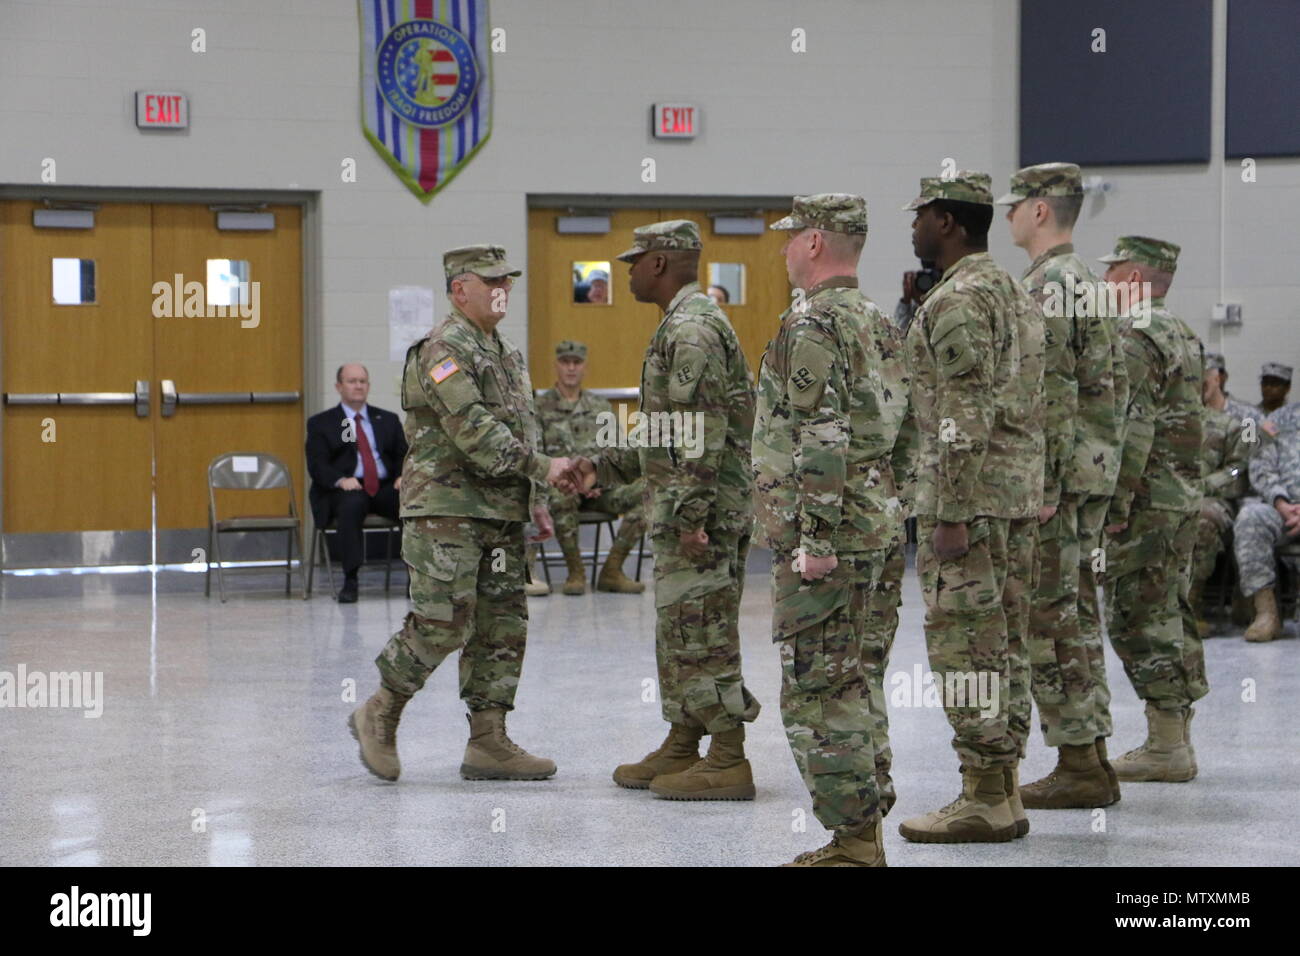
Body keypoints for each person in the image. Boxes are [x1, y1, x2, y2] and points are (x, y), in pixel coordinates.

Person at [348, 244, 572, 783]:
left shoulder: (504, 351)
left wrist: (533, 500)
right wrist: (545, 468)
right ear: (458, 289)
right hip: (447, 511)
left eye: (508, 281)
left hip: (499, 514)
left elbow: (522, 427)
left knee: (502, 623)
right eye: (490, 280)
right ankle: (382, 709)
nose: (503, 290)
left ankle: (487, 741)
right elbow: (475, 431)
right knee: (444, 619)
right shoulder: (442, 349)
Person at [560, 220, 762, 800]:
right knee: (678, 629)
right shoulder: (678, 324)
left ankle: (727, 754)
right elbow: (664, 431)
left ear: (659, 264)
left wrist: (694, 515)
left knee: (703, 629)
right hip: (679, 505)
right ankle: (683, 739)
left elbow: (700, 434)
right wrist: (603, 465)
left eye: (634, 261)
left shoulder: (694, 330)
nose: (626, 271)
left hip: (701, 512)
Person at [756, 193, 915, 866]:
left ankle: (854, 840)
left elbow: (821, 434)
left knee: (822, 687)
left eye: (793, 237)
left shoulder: (815, 324)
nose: (786, 248)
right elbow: (903, 430)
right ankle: (866, 821)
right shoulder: (878, 321)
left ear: (816, 243)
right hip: (874, 523)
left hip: (832, 537)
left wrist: (814, 541)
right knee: (861, 676)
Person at [896, 171, 1045, 844]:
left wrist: (950, 510)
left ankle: (984, 793)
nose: (914, 227)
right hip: (1012, 500)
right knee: (1005, 645)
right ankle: (1004, 787)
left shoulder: (959, 299)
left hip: (971, 505)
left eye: (922, 216)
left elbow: (963, 412)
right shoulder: (1011, 289)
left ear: (949, 223)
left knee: (965, 649)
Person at [998, 162, 1125, 809]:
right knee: (1073, 614)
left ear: (1040, 209)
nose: (1007, 214)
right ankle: (1092, 758)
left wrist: (1041, 484)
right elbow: (1112, 386)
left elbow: (1050, 391)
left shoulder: (1050, 283)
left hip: (1055, 482)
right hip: (1088, 474)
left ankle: (1078, 762)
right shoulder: (1087, 281)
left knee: (1049, 618)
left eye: (1014, 204)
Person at [1099, 236, 1206, 783]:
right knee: (1169, 608)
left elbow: (1132, 425)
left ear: (1134, 277)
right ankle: (1175, 736)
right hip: (1181, 495)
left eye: (1113, 272)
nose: (1105, 283)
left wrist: (1116, 503)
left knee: (1137, 616)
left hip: (1146, 501)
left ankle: (1166, 744)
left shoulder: (1136, 334)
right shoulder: (1181, 331)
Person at [529, 340, 646, 595]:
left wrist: (597, 481)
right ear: (556, 366)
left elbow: (618, 452)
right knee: (561, 497)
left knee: (649, 492)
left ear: (584, 367)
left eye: (577, 362)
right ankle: (575, 572)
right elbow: (536, 455)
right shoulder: (539, 407)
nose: (571, 368)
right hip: (561, 489)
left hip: (600, 490)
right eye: (565, 362)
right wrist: (565, 480)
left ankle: (612, 570)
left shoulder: (599, 407)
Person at [306, 364, 408, 603]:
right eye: (352, 381)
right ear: (338, 387)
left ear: (369, 386)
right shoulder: (321, 423)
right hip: (346, 488)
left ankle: (416, 576)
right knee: (350, 507)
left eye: (363, 381)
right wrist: (340, 480)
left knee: (412, 505)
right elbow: (317, 464)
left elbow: (404, 454)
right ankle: (350, 579)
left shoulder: (388, 419)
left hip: (384, 486)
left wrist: (404, 476)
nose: (358, 386)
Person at [1190, 353, 1252, 636]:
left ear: (1218, 379)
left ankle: (1191, 606)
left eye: (1205, 376)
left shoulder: (1233, 422)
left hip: (1215, 499)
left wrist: (1203, 486)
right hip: (1175, 495)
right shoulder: (1176, 419)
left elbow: (1238, 471)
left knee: (1202, 518)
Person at [1234, 399, 1300, 642]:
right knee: (1251, 517)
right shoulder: (1278, 420)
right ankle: (1266, 613)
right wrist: (1281, 503)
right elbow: (1261, 466)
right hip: (1284, 508)